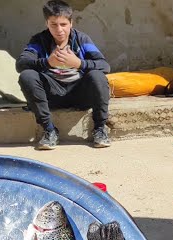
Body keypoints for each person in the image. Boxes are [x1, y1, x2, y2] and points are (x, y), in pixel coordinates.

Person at [16, 1, 112, 150]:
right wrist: (47, 62)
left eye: (63, 24)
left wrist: (79, 63)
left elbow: (104, 65)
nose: (59, 30)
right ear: (47, 23)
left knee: (97, 76)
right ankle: (49, 130)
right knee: (27, 76)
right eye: (53, 24)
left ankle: (100, 129)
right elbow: (21, 64)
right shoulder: (38, 40)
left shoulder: (82, 39)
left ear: (71, 23)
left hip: (79, 93)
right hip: (51, 94)